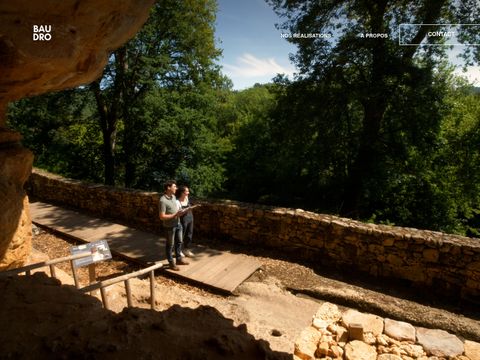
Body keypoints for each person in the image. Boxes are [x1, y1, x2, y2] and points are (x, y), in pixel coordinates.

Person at [159, 180, 189, 270]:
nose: (176, 188)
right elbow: (162, 216)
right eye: (174, 186)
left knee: (179, 242)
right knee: (170, 245)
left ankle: (179, 259)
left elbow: (175, 210)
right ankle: (171, 263)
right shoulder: (162, 201)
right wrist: (175, 215)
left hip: (178, 223)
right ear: (168, 188)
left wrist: (181, 212)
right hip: (169, 226)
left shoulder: (173, 197)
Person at [175, 185, 195, 257]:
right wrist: (186, 210)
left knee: (189, 234)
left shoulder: (186, 198)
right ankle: (178, 250)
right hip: (182, 220)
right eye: (187, 191)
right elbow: (178, 214)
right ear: (182, 193)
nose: (188, 193)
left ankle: (186, 249)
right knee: (181, 236)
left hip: (190, 218)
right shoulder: (177, 202)